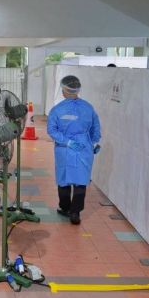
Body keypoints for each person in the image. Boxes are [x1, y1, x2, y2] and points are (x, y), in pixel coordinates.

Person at [46, 75, 101, 225]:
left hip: (64, 148)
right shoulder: (88, 108)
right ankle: (75, 213)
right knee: (81, 180)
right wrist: (93, 143)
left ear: (64, 90)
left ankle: (65, 208)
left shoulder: (57, 110)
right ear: (77, 89)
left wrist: (67, 141)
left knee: (63, 179)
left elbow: (52, 130)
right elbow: (96, 129)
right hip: (84, 147)